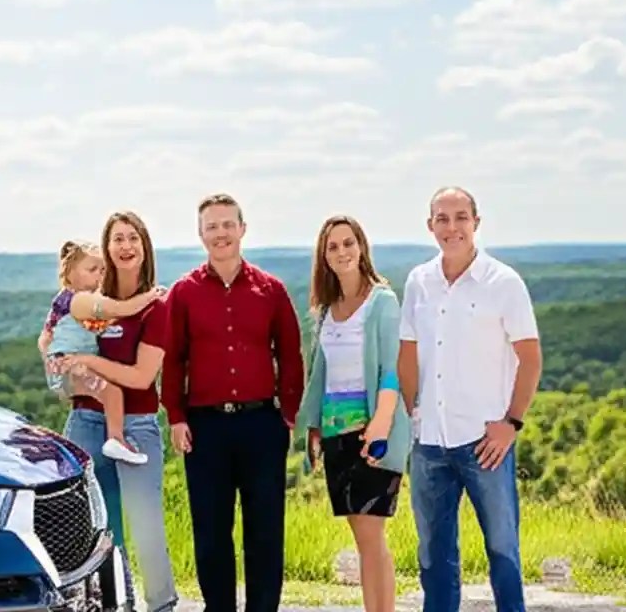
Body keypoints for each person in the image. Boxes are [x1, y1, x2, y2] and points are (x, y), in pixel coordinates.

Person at [397, 186, 543, 612]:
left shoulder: (504, 282)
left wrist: (512, 423)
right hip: (430, 443)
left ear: (476, 222)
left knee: (502, 550)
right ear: (430, 226)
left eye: (460, 217)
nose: (452, 227)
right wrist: (414, 414)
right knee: (434, 556)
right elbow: (408, 353)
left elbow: (530, 358)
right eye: (442, 219)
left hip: (486, 443)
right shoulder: (419, 282)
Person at [160, 193, 305, 612]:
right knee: (210, 531)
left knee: (265, 531)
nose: (220, 233)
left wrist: (289, 416)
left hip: (262, 424)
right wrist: (176, 415)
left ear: (242, 229)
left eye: (228, 224)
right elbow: (174, 359)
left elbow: (290, 355)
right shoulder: (184, 293)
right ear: (200, 234)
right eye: (212, 226)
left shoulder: (271, 290)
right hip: (205, 429)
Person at [38, 211, 179, 612]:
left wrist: (86, 361)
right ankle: (113, 603)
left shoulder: (156, 306)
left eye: (133, 238)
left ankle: (162, 604)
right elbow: (50, 345)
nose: (125, 246)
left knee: (145, 522)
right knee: (96, 524)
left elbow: (140, 376)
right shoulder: (91, 302)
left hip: (135, 423)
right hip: (84, 420)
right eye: (117, 239)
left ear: (144, 245)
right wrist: (58, 358)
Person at [294, 215, 412, 612]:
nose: (342, 252)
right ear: (323, 257)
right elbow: (320, 375)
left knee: (371, 535)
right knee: (360, 535)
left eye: (348, 243)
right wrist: (313, 426)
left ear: (361, 247)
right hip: (335, 434)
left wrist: (380, 423)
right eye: (333, 246)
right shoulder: (327, 310)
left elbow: (392, 370)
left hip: (372, 433)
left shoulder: (382, 301)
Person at [42, 239, 164, 465]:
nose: (98, 276)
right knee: (112, 390)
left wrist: (50, 361)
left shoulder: (63, 300)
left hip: (64, 365)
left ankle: (114, 439)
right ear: (70, 273)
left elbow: (46, 337)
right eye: (91, 270)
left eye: (102, 270)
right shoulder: (81, 299)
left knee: (106, 391)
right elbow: (120, 309)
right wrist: (150, 296)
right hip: (71, 363)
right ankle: (116, 439)